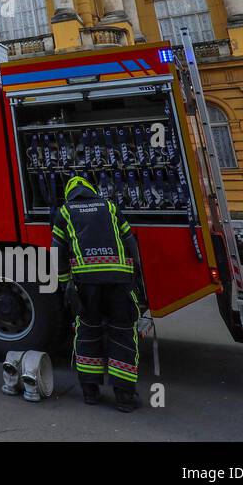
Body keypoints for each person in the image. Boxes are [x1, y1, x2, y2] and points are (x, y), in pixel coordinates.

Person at [52, 174, 147, 413]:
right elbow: (130, 241)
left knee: (87, 332)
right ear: (90, 190)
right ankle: (124, 396)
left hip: (86, 285)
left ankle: (90, 392)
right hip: (118, 282)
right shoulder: (110, 207)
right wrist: (136, 276)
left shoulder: (64, 212)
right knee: (123, 333)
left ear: (70, 195)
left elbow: (57, 254)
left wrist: (65, 286)